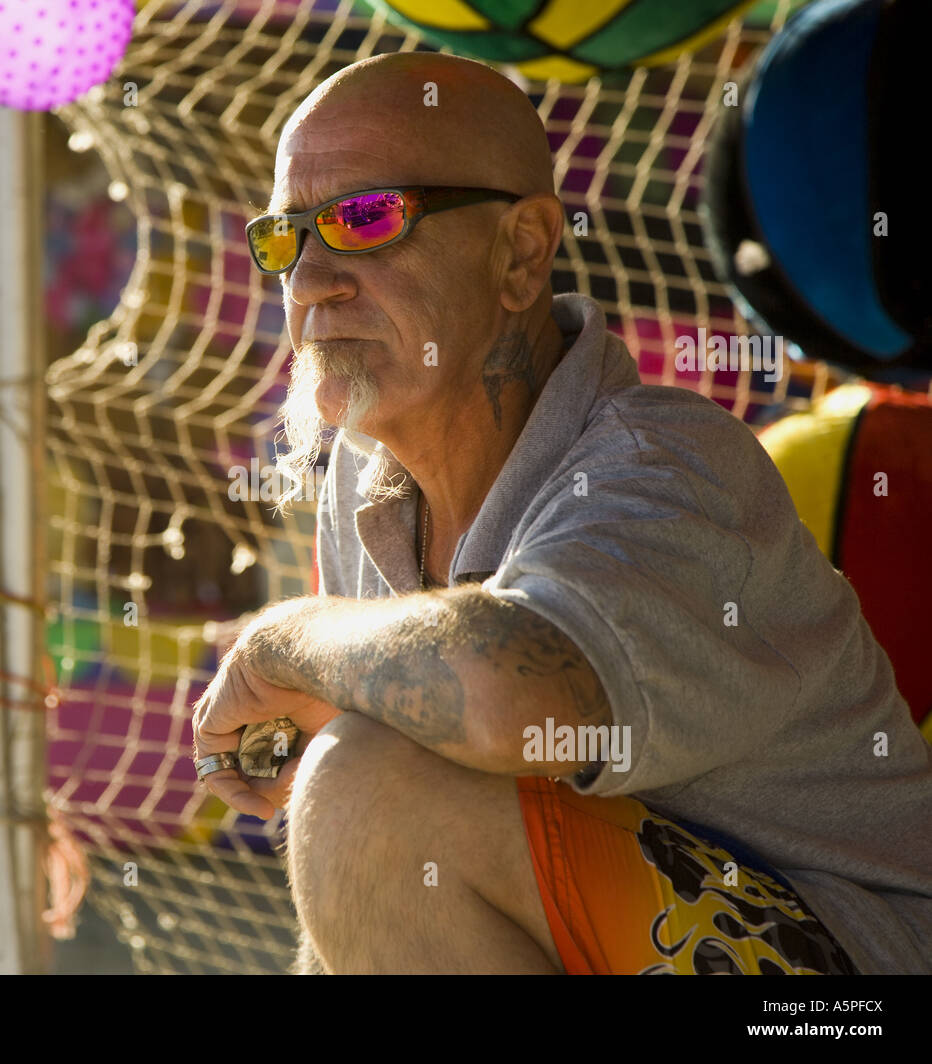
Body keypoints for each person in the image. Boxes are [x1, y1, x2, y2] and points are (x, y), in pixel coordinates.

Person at [190, 51, 932, 975]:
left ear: (523, 252)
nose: (306, 284)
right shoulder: (365, 472)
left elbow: (509, 700)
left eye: (366, 219)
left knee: (364, 788)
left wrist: (282, 641)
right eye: (285, 237)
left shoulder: (660, 465)